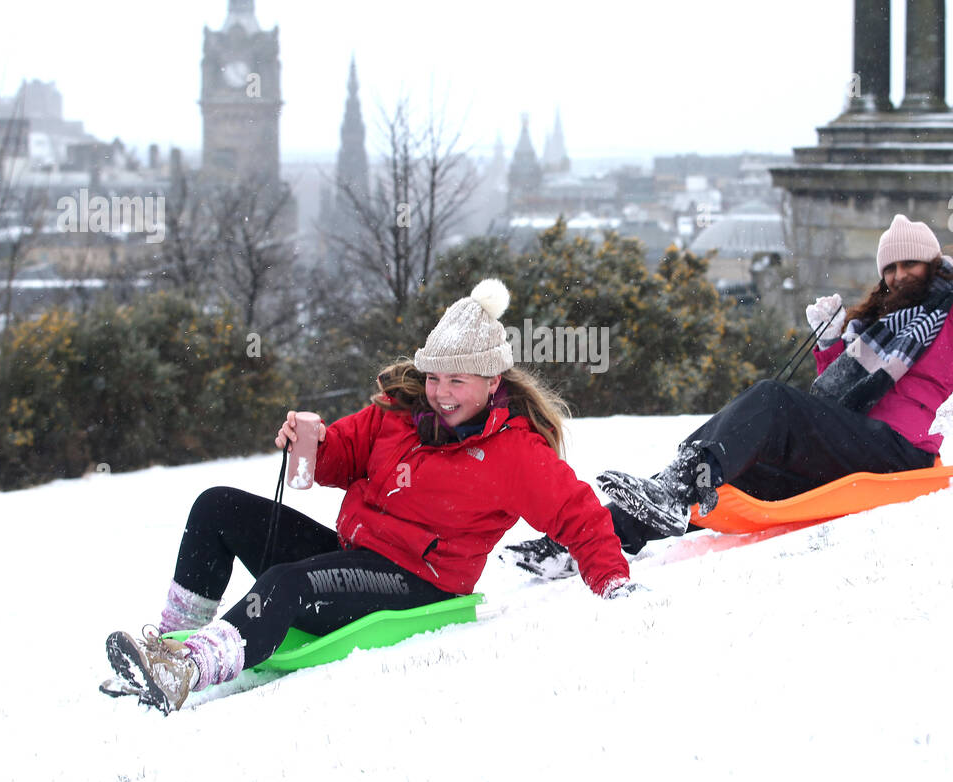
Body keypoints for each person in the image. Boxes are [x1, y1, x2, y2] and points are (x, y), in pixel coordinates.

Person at [104, 279, 638, 714]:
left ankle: (188, 672)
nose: (441, 392)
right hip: (355, 554)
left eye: (458, 380)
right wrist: (308, 442)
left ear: (493, 382)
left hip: (419, 584)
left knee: (284, 584)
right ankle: (172, 646)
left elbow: (579, 516)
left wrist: (613, 583)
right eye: (434, 377)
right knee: (215, 505)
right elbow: (341, 454)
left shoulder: (512, 452)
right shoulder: (398, 415)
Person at [504, 214, 953, 577]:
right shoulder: (882, 323)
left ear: (931, 266)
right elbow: (841, 396)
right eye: (889, 269)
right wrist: (829, 342)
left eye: (907, 266)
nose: (896, 276)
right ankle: (587, 543)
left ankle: (669, 489)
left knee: (773, 399)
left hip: (899, 450)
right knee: (727, 471)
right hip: (853, 445)